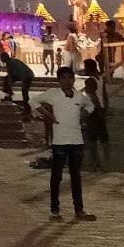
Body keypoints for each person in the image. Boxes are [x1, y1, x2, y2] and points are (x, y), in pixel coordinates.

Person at [36, 67, 96, 223]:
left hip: (76, 141)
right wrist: (47, 114)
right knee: (57, 176)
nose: (67, 81)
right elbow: (33, 100)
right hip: (60, 142)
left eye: (70, 78)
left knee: (76, 177)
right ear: (59, 80)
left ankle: (79, 210)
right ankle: (55, 210)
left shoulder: (78, 96)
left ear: (73, 80)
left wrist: (85, 113)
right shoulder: (53, 94)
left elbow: (90, 106)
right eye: (63, 78)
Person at [81, 75, 109, 171]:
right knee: (99, 139)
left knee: (92, 140)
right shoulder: (94, 97)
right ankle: (99, 162)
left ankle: (95, 162)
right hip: (97, 116)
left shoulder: (92, 99)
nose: (85, 88)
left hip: (94, 117)